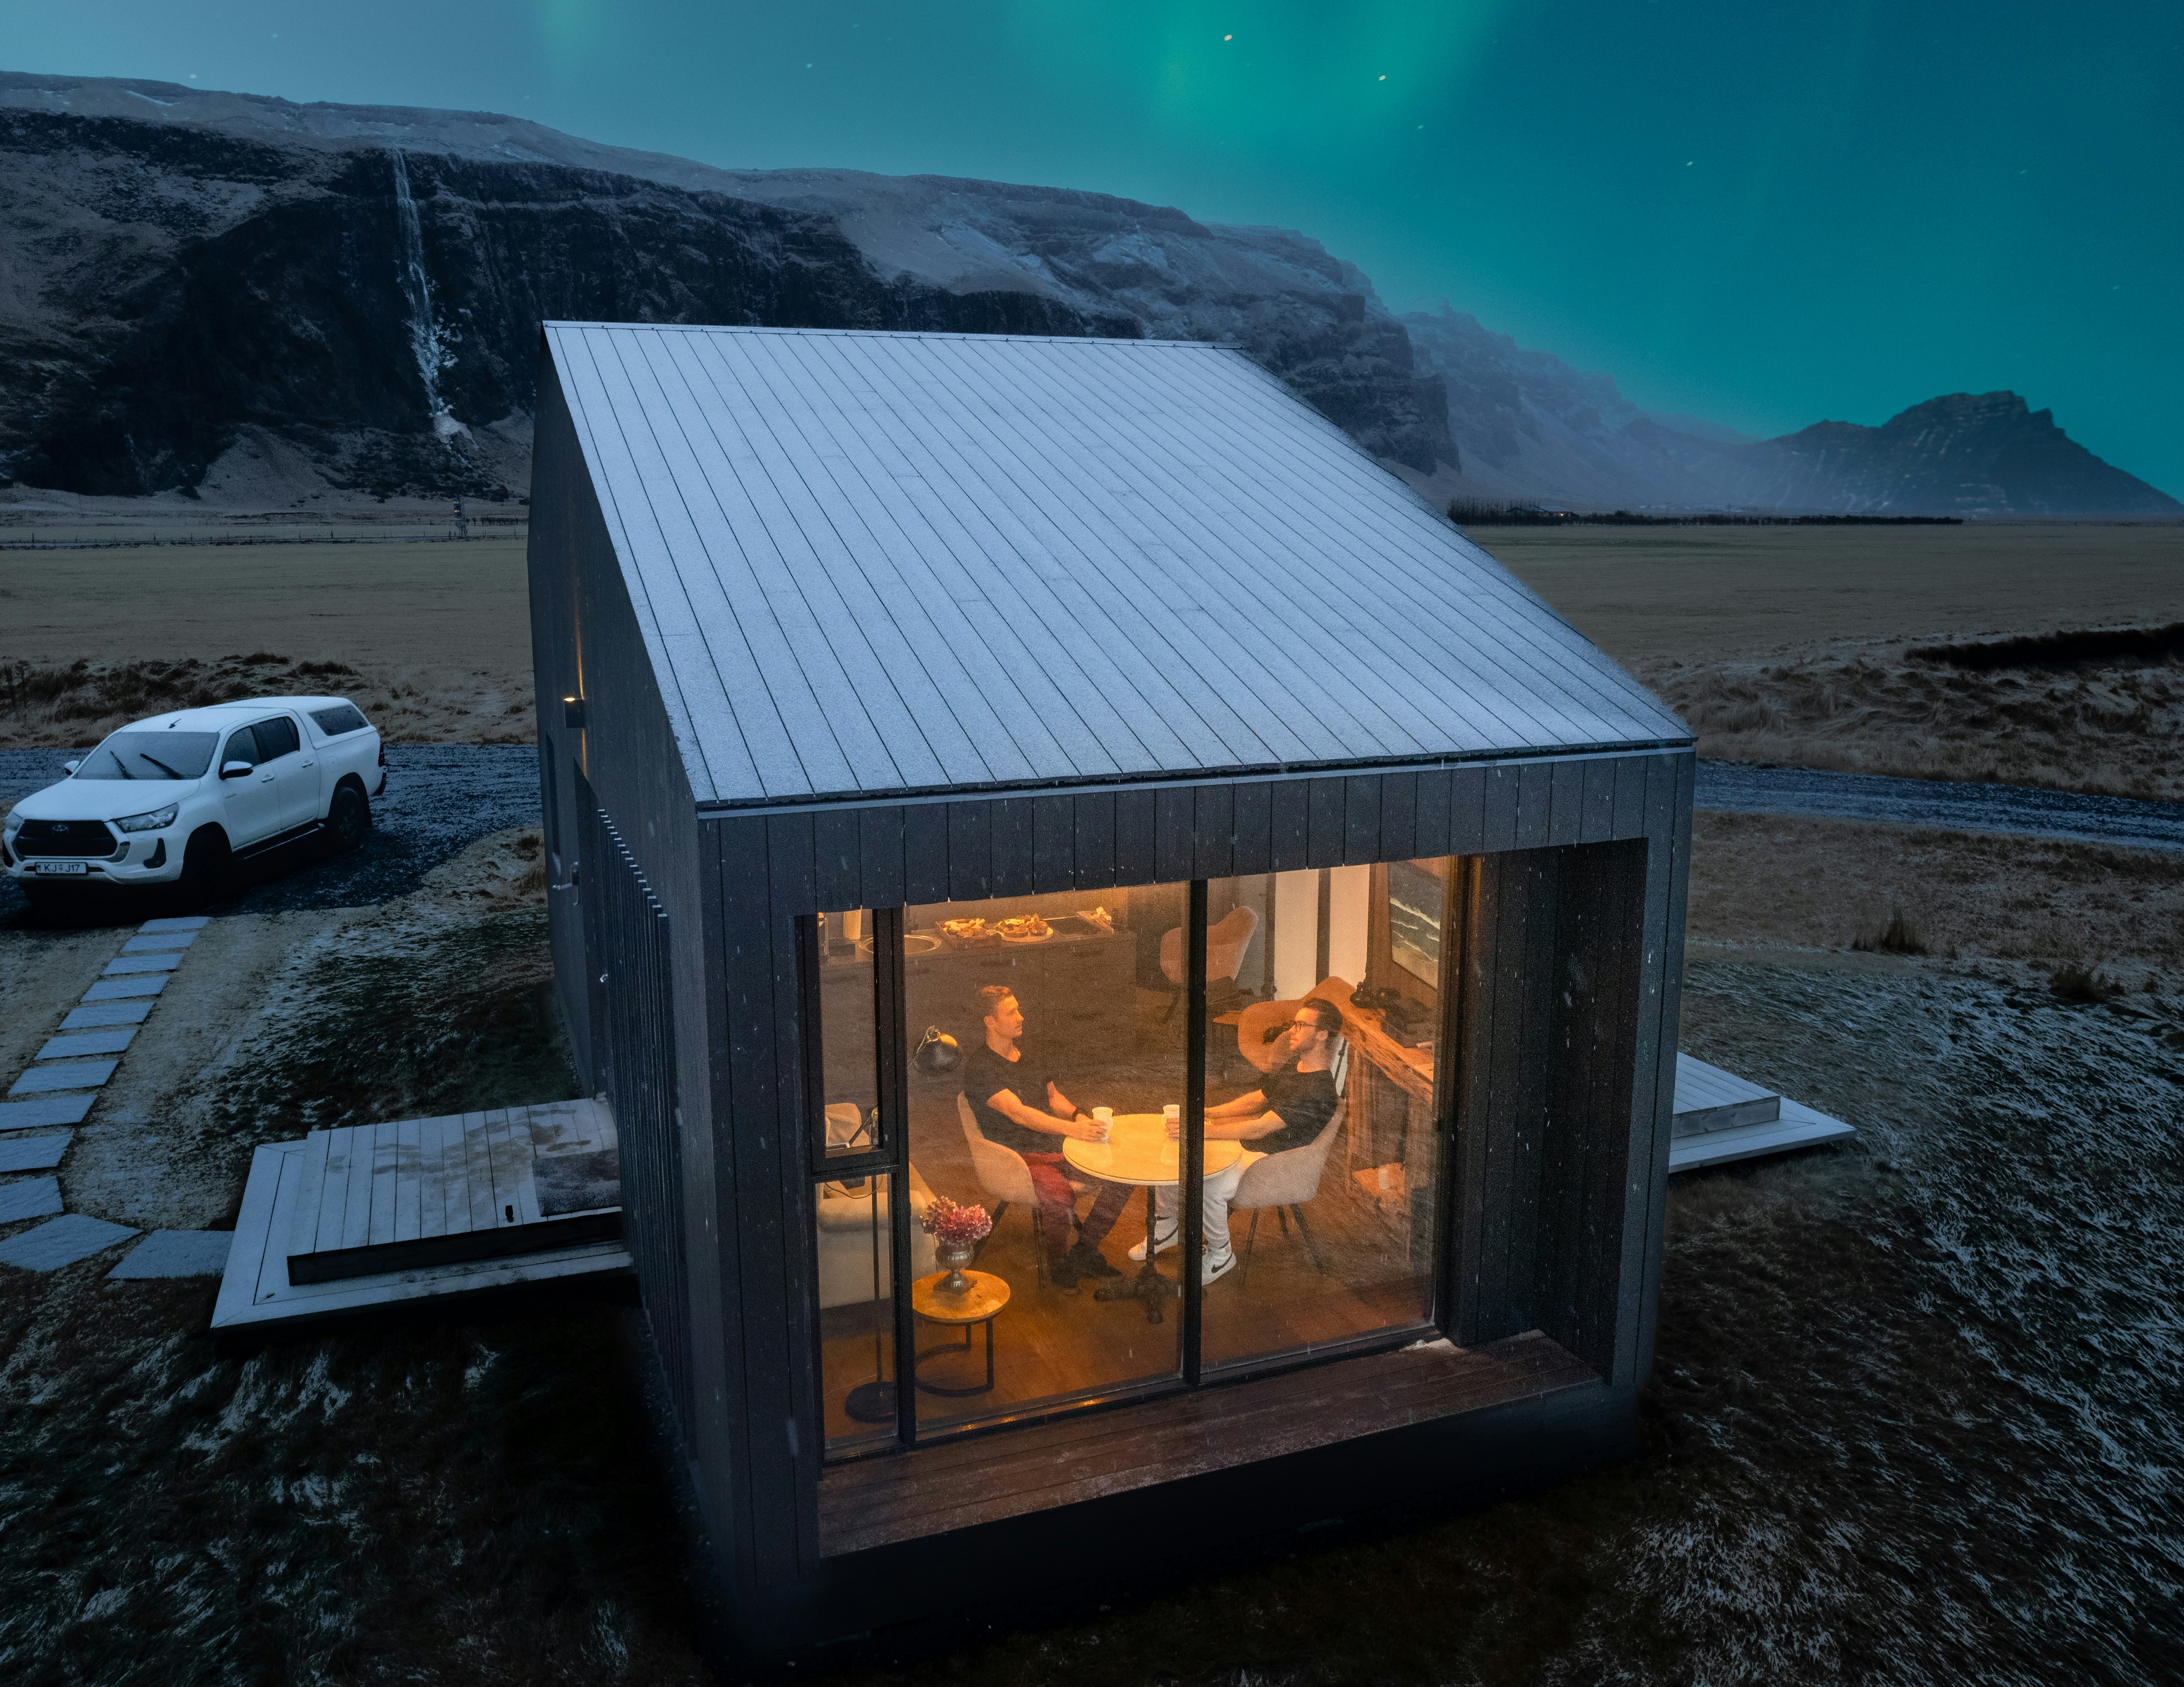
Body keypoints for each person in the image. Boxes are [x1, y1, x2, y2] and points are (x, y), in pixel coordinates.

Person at [1139, 997, 1342, 1284]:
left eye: (1300, 1025)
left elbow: (1260, 1129)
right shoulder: (1297, 1067)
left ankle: (1222, 1254)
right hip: (1253, 1147)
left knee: (1208, 1182)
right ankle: (1167, 1226)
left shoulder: (1318, 1089)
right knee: (1177, 1154)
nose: (1292, 1031)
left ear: (1322, 1035)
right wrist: (1207, 1113)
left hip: (1275, 1162)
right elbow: (1258, 1099)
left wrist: (1199, 1130)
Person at [960, 984, 1134, 1290]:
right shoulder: (980, 1068)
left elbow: (1054, 1098)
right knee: (1059, 1195)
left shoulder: (1029, 1053)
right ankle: (1059, 1261)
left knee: (1123, 1176)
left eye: (1019, 1009)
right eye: (1011, 1012)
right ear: (989, 1022)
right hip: (1015, 1157)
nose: (1021, 1017)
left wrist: (1080, 1115)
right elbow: (1020, 1114)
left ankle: (1085, 1250)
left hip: (1055, 1147)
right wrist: (1074, 1130)